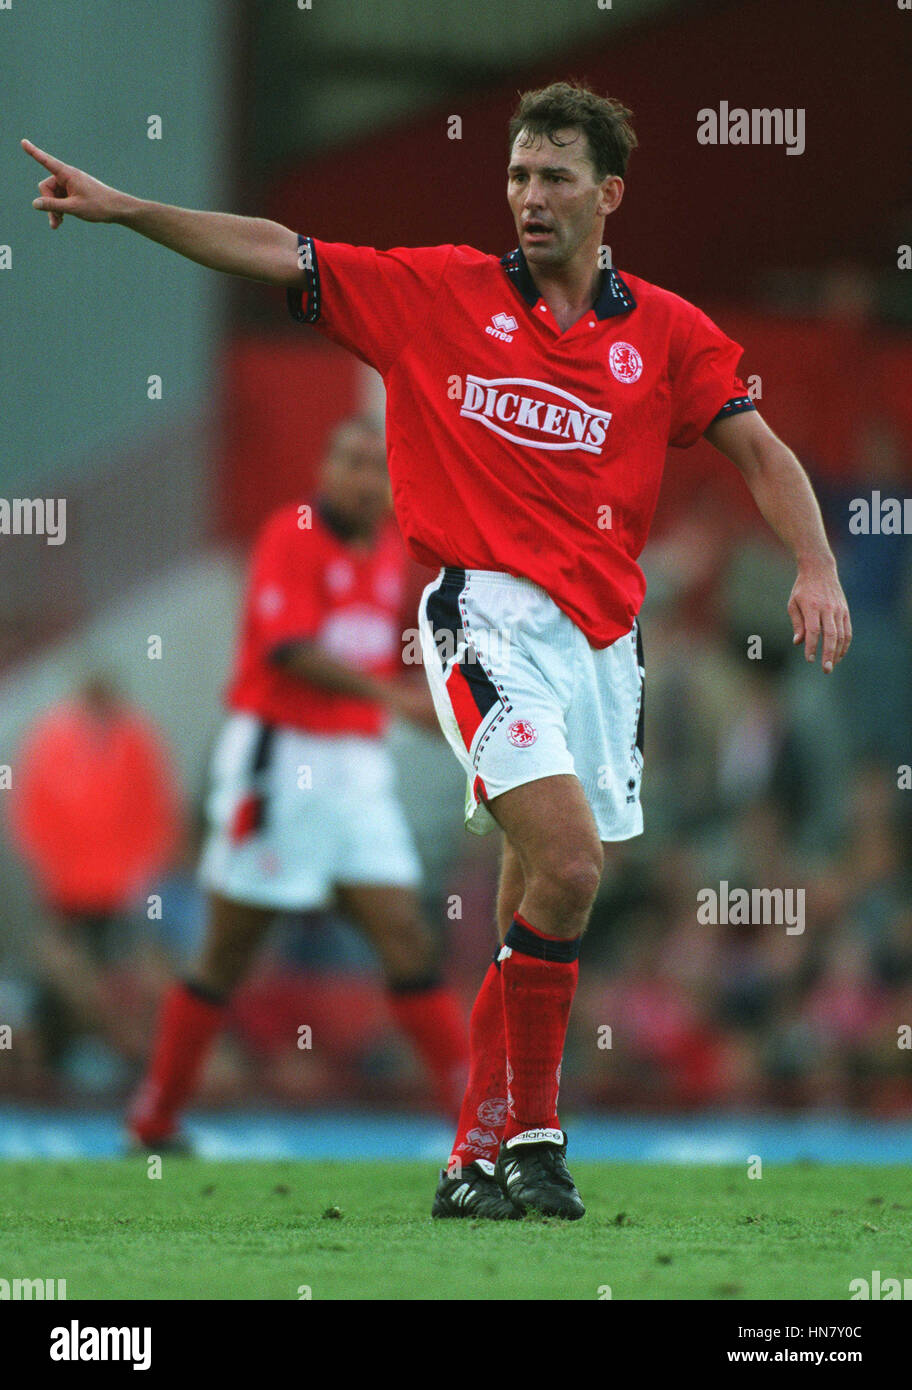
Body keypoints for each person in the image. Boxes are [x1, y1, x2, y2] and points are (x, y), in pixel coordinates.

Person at [23, 79, 851, 1219]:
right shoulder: (437, 292)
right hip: (483, 617)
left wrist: (815, 563)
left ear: (609, 194)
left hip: (606, 646)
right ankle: (538, 1139)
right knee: (566, 864)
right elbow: (281, 251)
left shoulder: (665, 331)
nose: (530, 195)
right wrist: (132, 209)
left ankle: (471, 1160)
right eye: (517, 174)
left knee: (538, 905)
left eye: (556, 175)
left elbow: (762, 452)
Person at [127, 416, 468, 1149]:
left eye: (371, 465)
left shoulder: (384, 549)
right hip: (282, 762)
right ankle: (154, 1117)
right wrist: (396, 700)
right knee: (229, 949)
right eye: (343, 459)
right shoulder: (294, 530)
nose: (354, 475)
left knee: (406, 935)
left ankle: (477, 1128)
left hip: (356, 771)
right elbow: (287, 649)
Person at [6, 674, 183, 1070]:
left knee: (133, 974)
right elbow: (33, 814)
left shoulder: (136, 741)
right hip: (67, 891)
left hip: (122, 890)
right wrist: (51, 871)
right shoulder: (51, 741)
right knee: (64, 973)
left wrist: (141, 872)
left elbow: (156, 809)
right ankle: (63, 1055)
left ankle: (130, 1057)